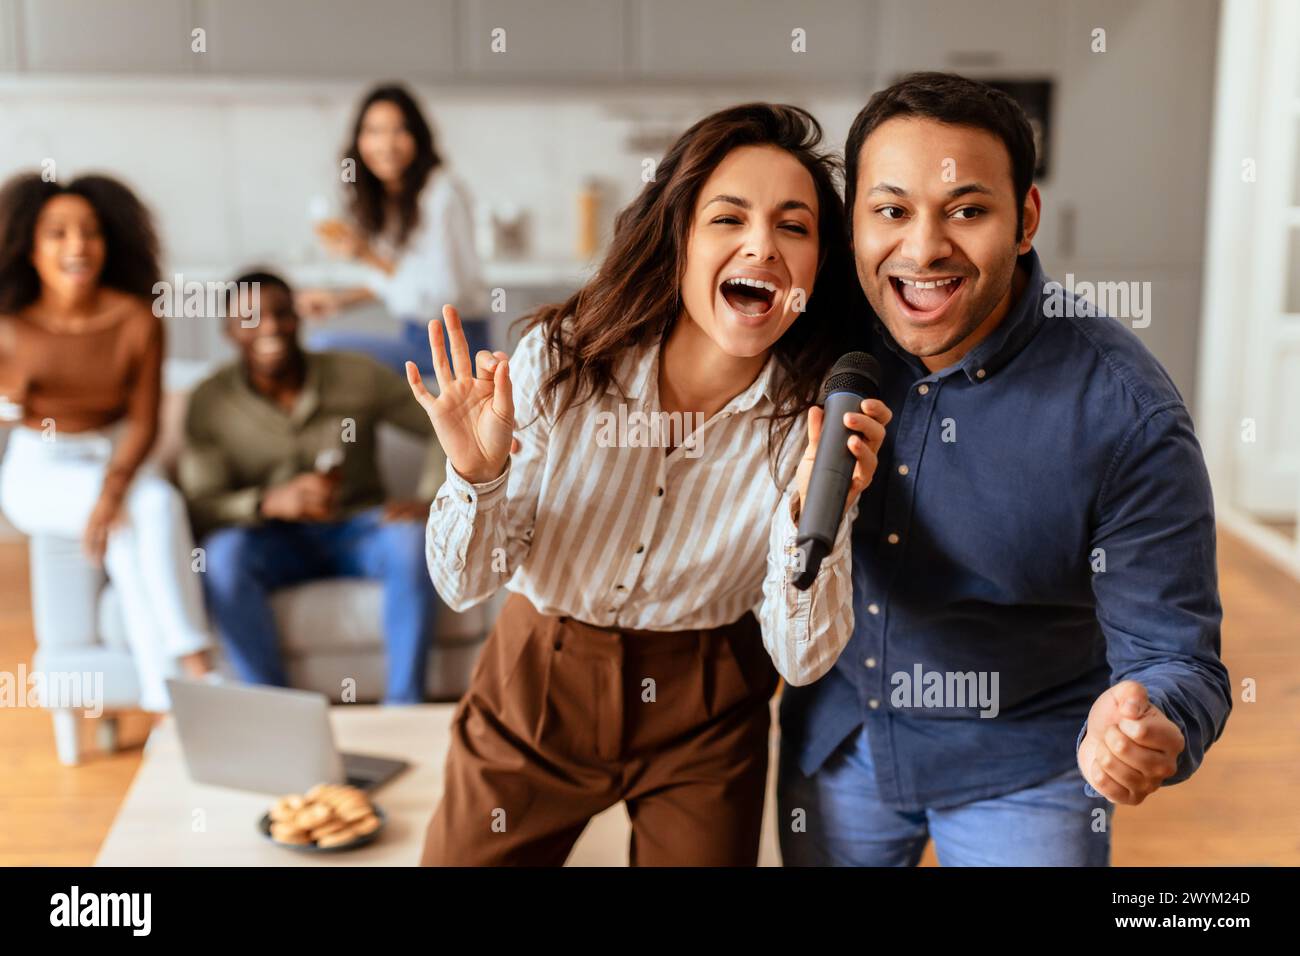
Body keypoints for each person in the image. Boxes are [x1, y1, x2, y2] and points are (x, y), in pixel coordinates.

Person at [408, 103, 893, 866]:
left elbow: (801, 661)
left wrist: (811, 510)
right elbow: (463, 586)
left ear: (817, 268)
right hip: (537, 684)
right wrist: (479, 474)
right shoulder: (561, 362)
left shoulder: (811, 420)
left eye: (794, 227)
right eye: (728, 219)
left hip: (707, 709)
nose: (762, 246)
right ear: (679, 240)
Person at [777, 72, 1232, 867]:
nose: (923, 249)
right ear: (853, 224)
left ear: (1023, 220)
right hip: (841, 740)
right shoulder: (810, 329)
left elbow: (1175, 655)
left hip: (1026, 764)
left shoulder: (1126, 415)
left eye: (967, 210)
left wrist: (1147, 725)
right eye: (891, 210)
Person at [178, 270, 445, 704]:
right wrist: (267, 503)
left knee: (413, 542)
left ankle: (404, 708)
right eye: (251, 317)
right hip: (272, 542)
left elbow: (440, 422)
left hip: (360, 528)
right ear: (229, 331)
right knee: (221, 557)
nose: (269, 327)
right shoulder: (210, 403)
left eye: (281, 313)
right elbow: (200, 505)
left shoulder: (355, 375)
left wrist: (430, 498)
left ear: (298, 318)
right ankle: (275, 709)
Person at [0, 172, 214, 711]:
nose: (78, 246)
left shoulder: (136, 320)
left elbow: (144, 421)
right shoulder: (8, 325)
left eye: (90, 232)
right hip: (38, 467)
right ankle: (186, 684)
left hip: (111, 455)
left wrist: (111, 490)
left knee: (157, 505)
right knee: (126, 529)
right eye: (58, 233)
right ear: (29, 248)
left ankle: (175, 684)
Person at [297, 83, 491, 373]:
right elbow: (402, 278)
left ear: (418, 137)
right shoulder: (397, 198)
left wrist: (366, 255)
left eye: (399, 130)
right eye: (374, 131)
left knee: (322, 347)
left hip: (455, 349)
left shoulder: (442, 195)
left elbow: (441, 296)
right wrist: (338, 301)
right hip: (416, 338)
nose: (386, 144)